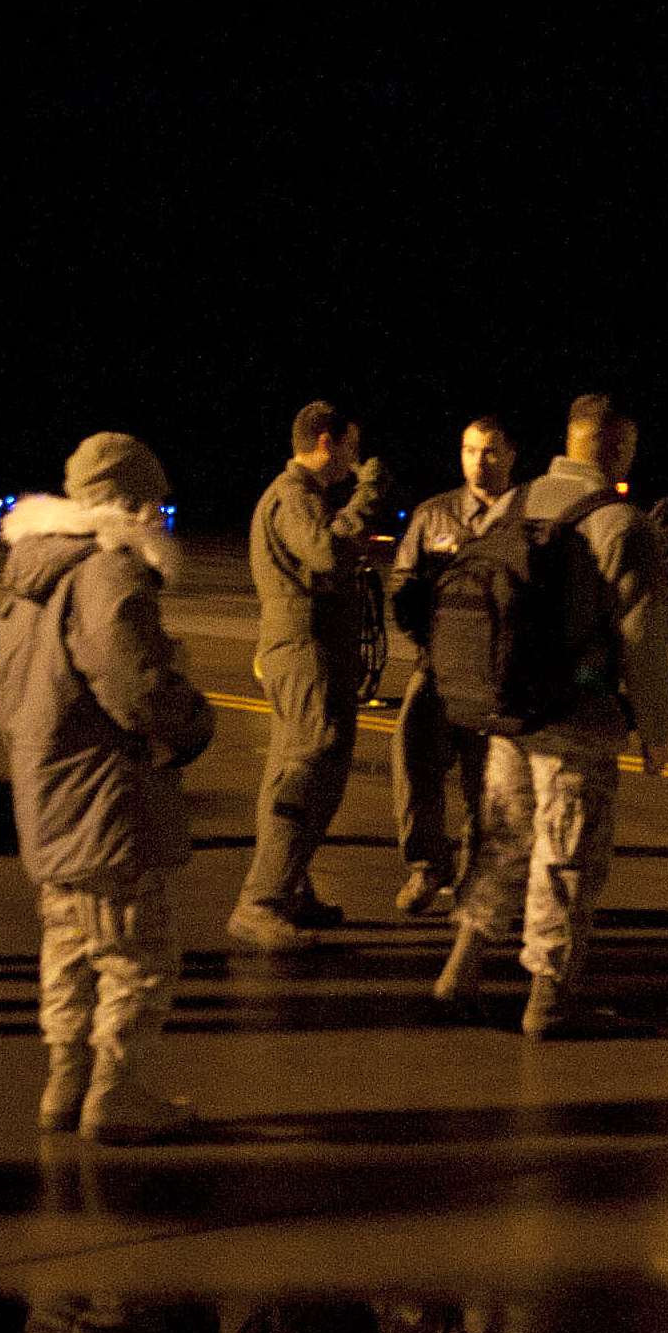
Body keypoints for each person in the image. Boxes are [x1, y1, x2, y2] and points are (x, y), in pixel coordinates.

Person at [0, 433, 216, 1143]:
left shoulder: (32, 576)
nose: (159, 517)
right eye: (153, 503)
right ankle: (115, 1091)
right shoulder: (108, 575)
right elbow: (135, 685)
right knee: (137, 953)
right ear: (127, 501)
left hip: (49, 790)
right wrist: (191, 724)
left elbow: (7, 696)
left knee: (67, 943)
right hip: (107, 796)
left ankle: (64, 1084)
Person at [431, 395, 668, 1038]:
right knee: (568, 852)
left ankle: (460, 972)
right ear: (618, 448)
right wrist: (655, 729)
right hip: (577, 710)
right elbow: (643, 638)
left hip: (510, 705)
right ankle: (549, 996)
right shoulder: (624, 524)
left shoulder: (518, 500)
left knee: (503, 834)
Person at [229, 401, 387, 952]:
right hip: (303, 649)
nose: (356, 458)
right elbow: (324, 552)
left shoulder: (306, 497)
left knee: (300, 765)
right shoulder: (293, 496)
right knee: (308, 764)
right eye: (352, 445)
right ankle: (262, 901)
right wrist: (367, 497)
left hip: (313, 649)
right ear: (327, 442)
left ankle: (290, 885)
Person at [388, 416, 519, 917]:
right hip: (439, 666)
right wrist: (423, 633)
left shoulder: (527, 516)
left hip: (499, 674)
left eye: (488, 451)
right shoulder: (434, 515)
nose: (478, 462)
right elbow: (403, 581)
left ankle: (475, 873)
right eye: (468, 451)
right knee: (412, 754)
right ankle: (427, 864)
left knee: (484, 778)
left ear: (510, 455)